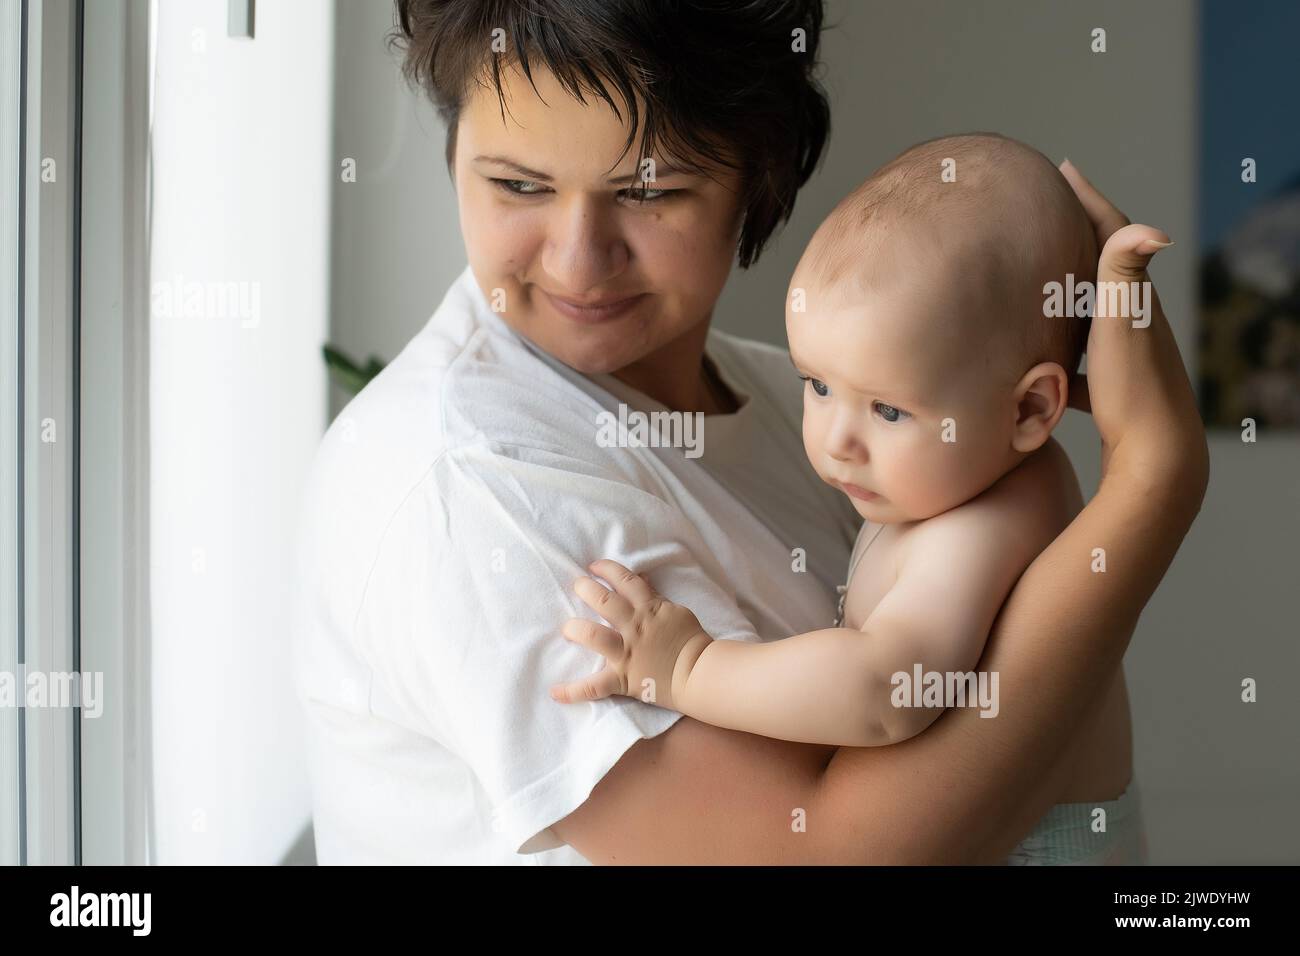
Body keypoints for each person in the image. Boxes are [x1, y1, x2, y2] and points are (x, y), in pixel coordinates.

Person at [291, 0, 1208, 864]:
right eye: (518, 184)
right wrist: (1154, 481)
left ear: (758, 178)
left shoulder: (801, 404)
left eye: (650, 194)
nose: (578, 258)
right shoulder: (470, 480)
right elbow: (820, 855)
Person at [550, 133, 1154, 865]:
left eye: (889, 411)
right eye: (819, 386)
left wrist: (688, 670)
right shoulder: (949, 480)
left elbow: (887, 686)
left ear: (1029, 411)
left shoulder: (996, 517)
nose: (838, 440)